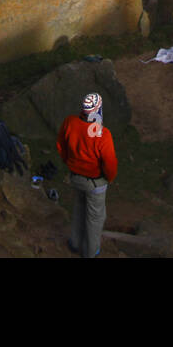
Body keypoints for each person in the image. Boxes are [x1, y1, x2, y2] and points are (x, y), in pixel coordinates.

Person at [56, 92, 117, 259]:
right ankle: (90, 252)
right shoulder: (102, 134)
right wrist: (109, 178)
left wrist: (68, 162)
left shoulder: (70, 122)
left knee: (79, 208)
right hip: (95, 182)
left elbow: (60, 145)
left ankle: (74, 243)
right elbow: (110, 164)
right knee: (95, 218)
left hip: (76, 177)